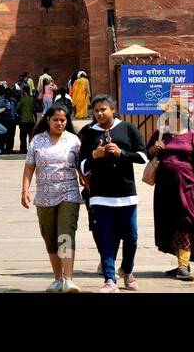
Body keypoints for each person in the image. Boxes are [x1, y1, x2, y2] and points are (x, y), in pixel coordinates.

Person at [78, 94, 149, 292]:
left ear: (113, 109)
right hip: (100, 195)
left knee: (132, 237)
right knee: (105, 238)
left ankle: (127, 270)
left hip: (126, 193)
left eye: (103, 109)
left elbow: (143, 156)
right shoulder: (89, 133)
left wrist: (121, 153)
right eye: (96, 110)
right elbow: (82, 166)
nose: (99, 113)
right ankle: (110, 279)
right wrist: (95, 155)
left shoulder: (128, 128)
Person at [146, 99, 194, 281]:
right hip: (165, 188)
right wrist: (154, 149)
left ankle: (183, 267)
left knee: (186, 222)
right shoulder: (160, 133)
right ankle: (182, 264)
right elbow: (147, 153)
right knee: (170, 223)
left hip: (188, 187)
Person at [22, 104, 83, 292]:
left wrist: (89, 186)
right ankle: (58, 278)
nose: (59, 123)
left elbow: (81, 167)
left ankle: (68, 279)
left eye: (63, 120)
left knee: (65, 234)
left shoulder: (74, 141)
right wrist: (24, 190)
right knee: (50, 237)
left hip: (69, 193)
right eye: (55, 119)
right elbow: (29, 167)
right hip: (45, 196)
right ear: (47, 120)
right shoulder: (37, 141)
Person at [16, 83, 37, 153]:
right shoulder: (32, 99)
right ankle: (31, 149)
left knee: (23, 136)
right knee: (31, 136)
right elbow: (34, 110)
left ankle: (23, 150)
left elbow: (18, 108)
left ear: (24, 91)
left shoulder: (23, 99)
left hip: (24, 120)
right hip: (31, 120)